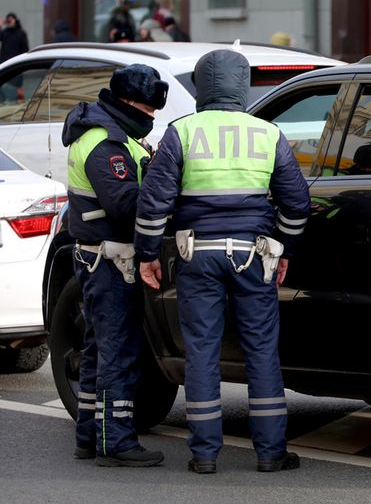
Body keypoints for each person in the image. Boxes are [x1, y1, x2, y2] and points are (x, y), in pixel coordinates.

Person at [135, 49, 310, 475]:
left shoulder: (182, 132)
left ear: (201, 87)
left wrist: (146, 255)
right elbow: (297, 204)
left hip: (198, 253)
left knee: (201, 351)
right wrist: (281, 246)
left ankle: (205, 454)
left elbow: (154, 203)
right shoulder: (267, 133)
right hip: (253, 253)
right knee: (262, 350)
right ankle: (271, 453)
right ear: (242, 86)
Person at [62, 64, 168, 467]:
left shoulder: (119, 134)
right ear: (126, 102)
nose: (152, 116)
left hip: (103, 256)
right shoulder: (106, 143)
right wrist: (164, 188)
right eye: (147, 107)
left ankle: (89, 435)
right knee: (118, 350)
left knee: (97, 349)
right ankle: (116, 441)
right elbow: (125, 205)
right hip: (110, 260)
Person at [1, 13, 29, 99]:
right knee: (2, 87)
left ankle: (21, 104)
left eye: (11, 19)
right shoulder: (5, 32)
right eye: (8, 19)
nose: (10, 21)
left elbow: (25, 49)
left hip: (16, 64)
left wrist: (22, 62)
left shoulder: (21, 33)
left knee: (18, 88)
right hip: (4, 63)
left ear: (16, 20)